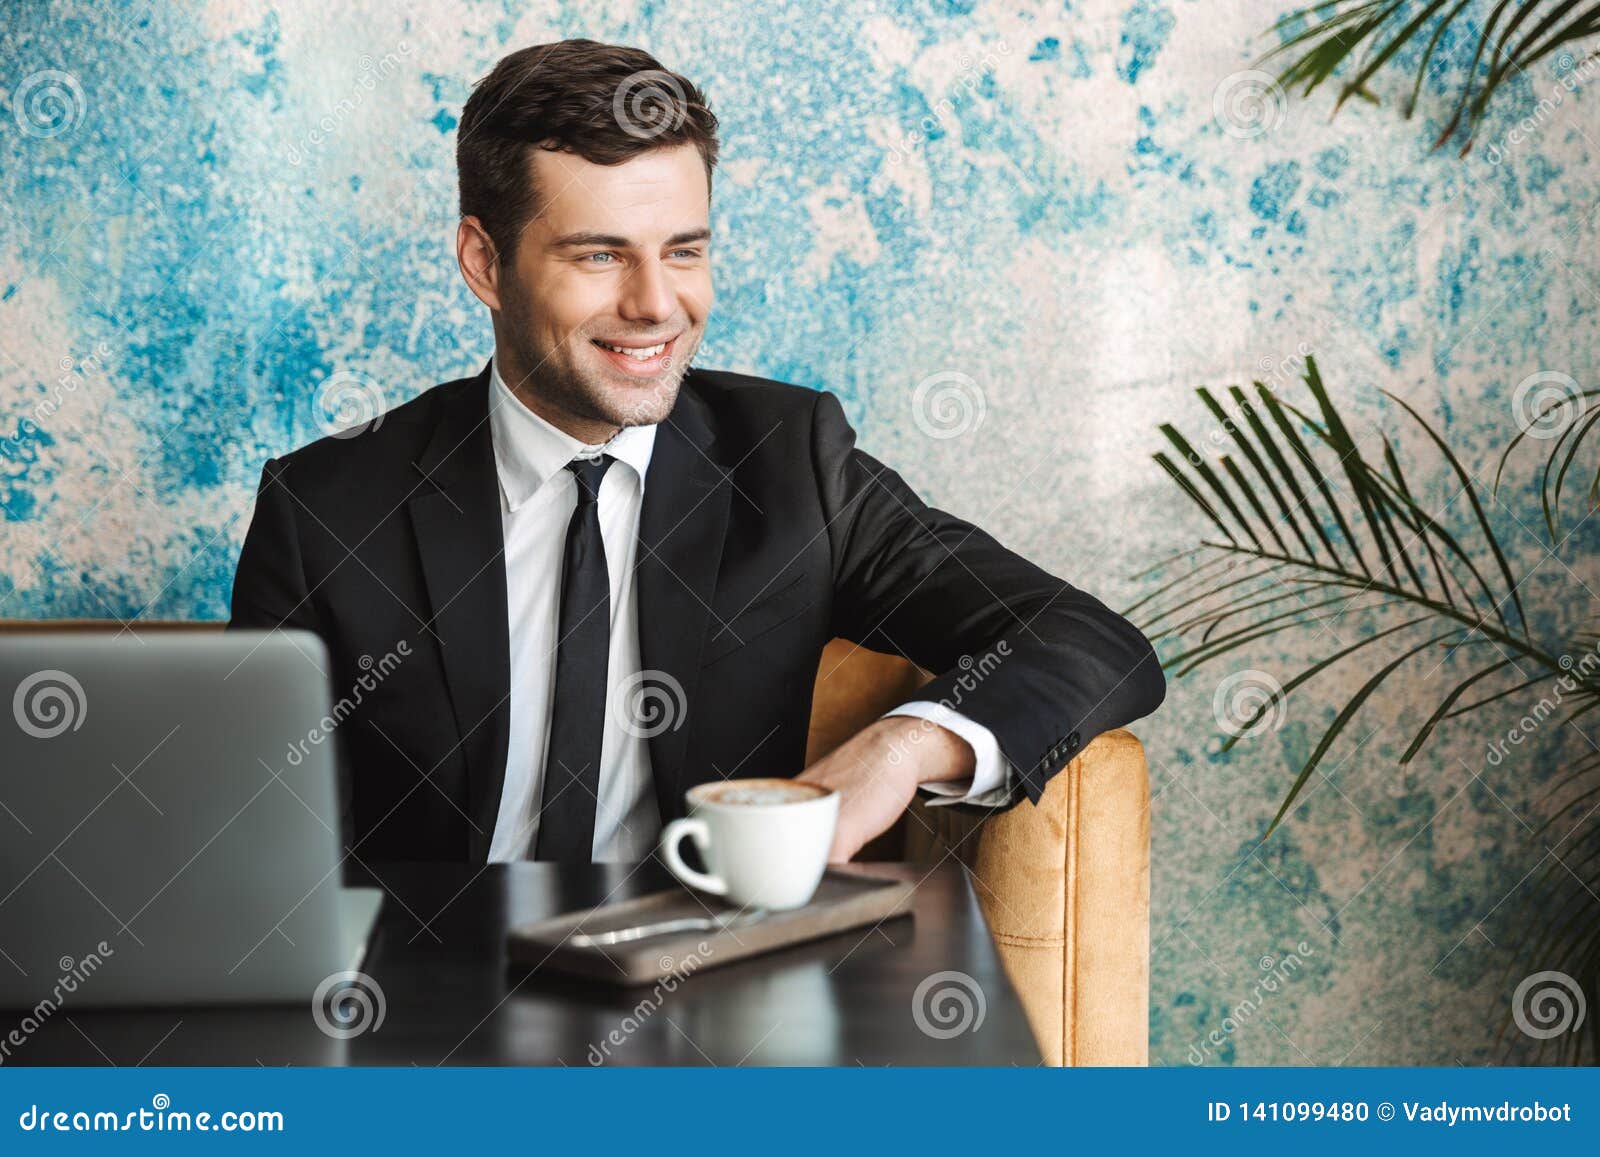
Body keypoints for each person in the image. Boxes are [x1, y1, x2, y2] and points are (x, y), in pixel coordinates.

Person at [227, 38, 1164, 865]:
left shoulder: (792, 465)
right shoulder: (326, 509)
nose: (655, 304)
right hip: (423, 988)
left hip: (708, 979)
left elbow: (1087, 640)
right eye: (600, 256)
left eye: (683, 251)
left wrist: (901, 747)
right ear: (485, 262)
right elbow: (254, 846)